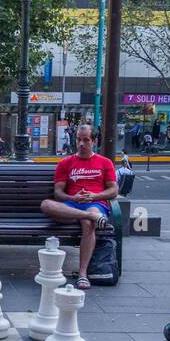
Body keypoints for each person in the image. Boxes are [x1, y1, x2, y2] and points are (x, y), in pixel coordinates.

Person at [41, 123, 118, 289]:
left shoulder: (104, 163)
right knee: (46, 204)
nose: (81, 144)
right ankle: (92, 217)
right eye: (78, 140)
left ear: (94, 141)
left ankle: (83, 273)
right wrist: (72, 197)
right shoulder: (66, 163)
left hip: (94, 204)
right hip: (72, 206)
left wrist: (95, 196)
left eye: (86, 140)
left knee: (88, 221)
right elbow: (58, 193)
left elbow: (113, 190)